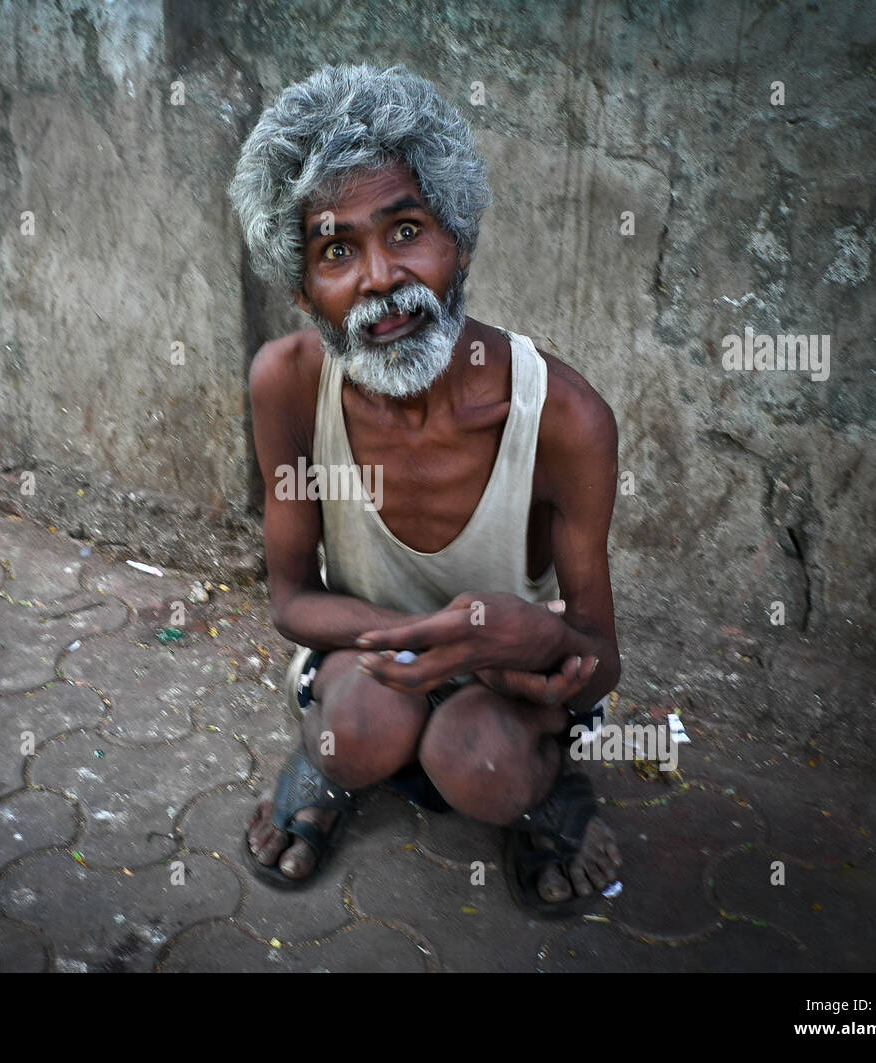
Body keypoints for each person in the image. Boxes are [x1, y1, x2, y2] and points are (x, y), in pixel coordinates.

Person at [227, 64, 621, 913]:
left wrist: (516, 643)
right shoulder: (287, 383)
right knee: (354, 730)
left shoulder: (564, 417)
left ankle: (543, 790)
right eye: (337, 249)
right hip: (368, 658)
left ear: (460, 242)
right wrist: (437, 636)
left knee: (481, 759)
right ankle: (329, 768)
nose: (379, 277)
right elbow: (292, 597)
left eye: (405, 229)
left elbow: (599, 660)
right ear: (303, 291)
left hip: (509, 680)